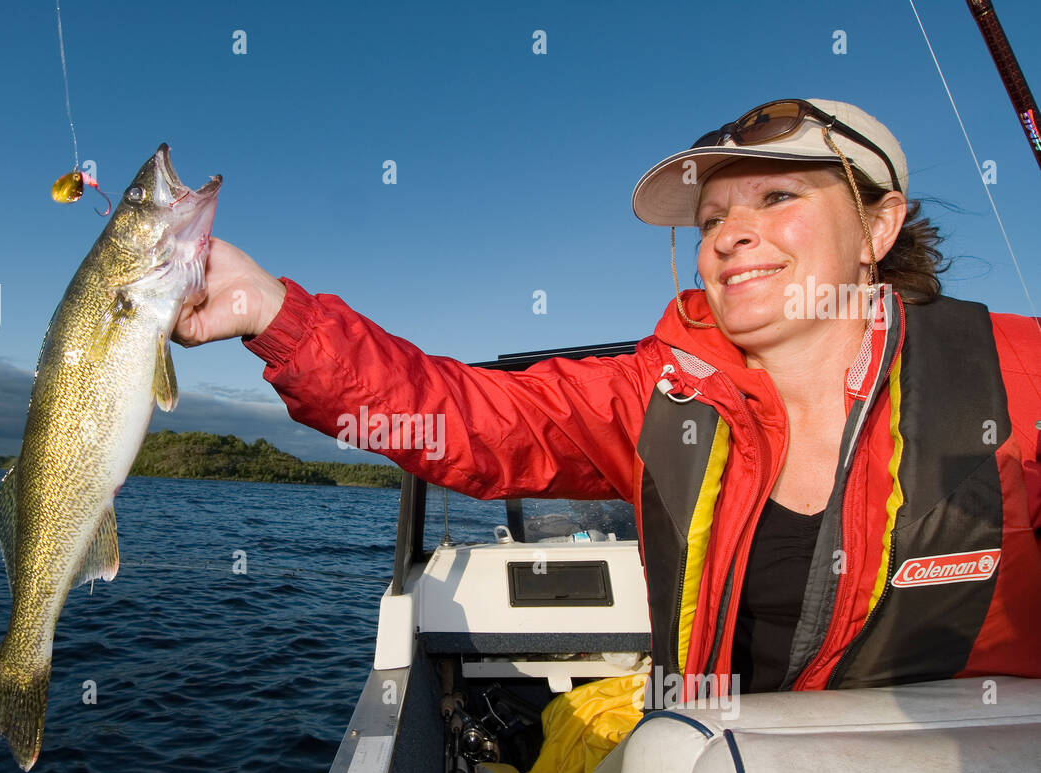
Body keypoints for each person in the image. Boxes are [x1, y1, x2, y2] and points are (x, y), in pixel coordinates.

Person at [172, 98, 1041, 696]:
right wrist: (274, 314)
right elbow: (464, 418)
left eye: (778, 197)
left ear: (879, 228)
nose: (731, 234)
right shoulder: (658, 397)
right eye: (710, 220)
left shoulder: (1020, 374)